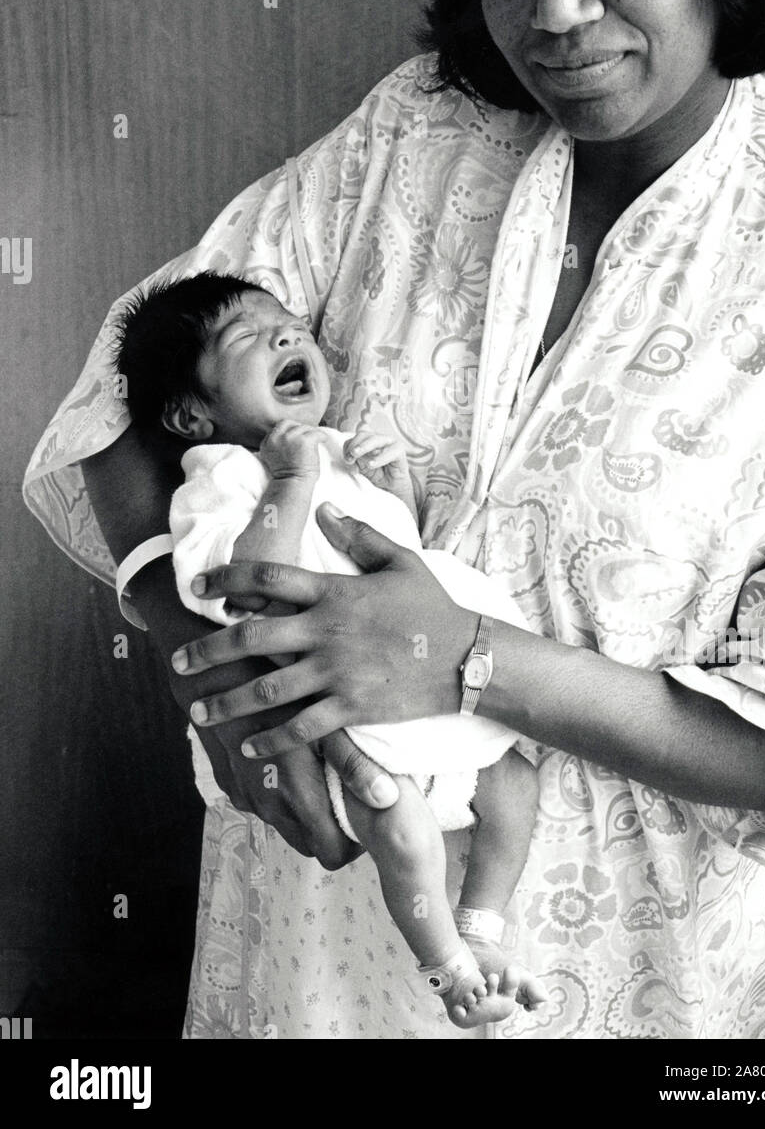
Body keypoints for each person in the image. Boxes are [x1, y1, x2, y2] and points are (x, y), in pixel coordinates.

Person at [24, 0, 765, 1040]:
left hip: (621, 999)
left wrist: (467, 660)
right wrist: (207, 661)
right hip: (303, 975)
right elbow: (131, 378)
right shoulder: (413, 138)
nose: (558, 8)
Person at [114, 270, 547, 1028]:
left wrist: (390, 486)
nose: (287, 334)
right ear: (190, 413)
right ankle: (448, 969)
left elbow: (388, 552)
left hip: (417, 676)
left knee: (512, 778)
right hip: (329, 697)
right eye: (247, 335)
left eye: (290, 324)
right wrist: (288, 479)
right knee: (393, 816)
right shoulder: (218, 481)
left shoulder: (334, 451)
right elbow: (247, 586)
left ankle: (483, 924)